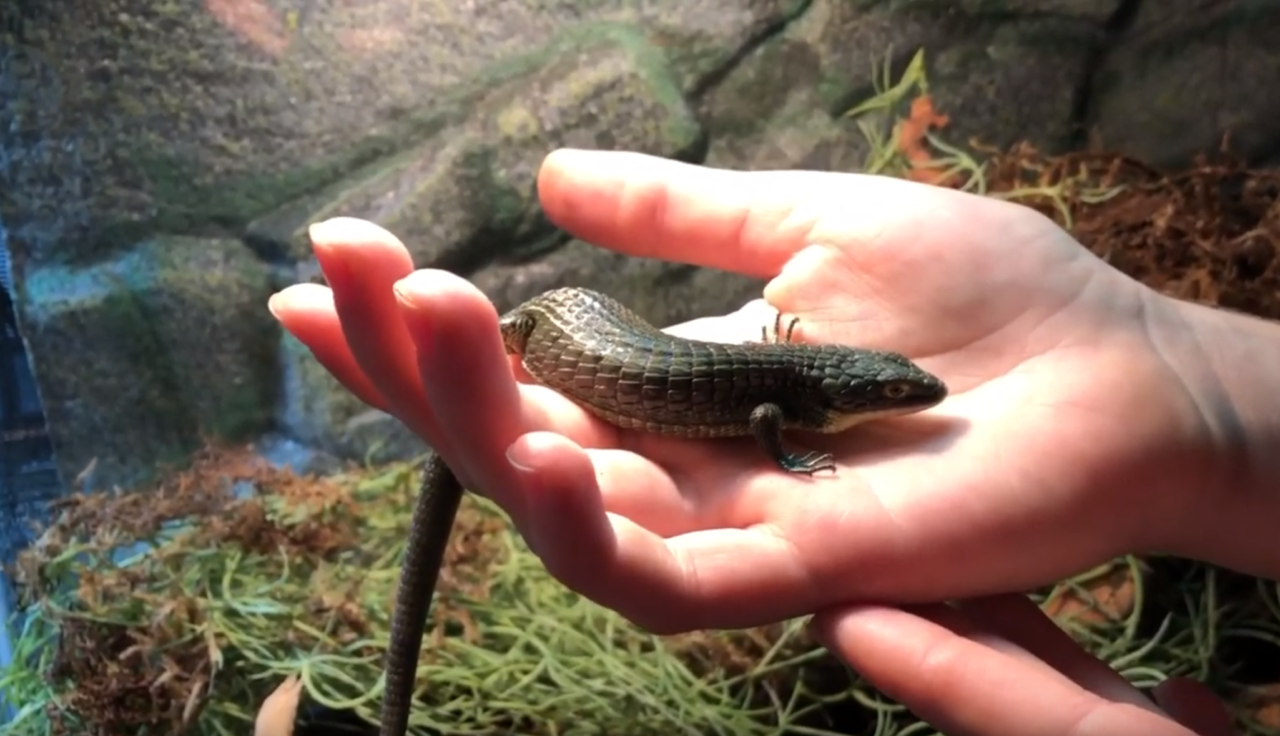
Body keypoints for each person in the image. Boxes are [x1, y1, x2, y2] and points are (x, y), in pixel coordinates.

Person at [268, 149, 1277, 736]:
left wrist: (1193, 397)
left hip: (580, 328)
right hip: (552, 336)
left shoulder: (795, 378)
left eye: (904, 387)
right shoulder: (783, 400)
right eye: (894, 390)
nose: (915, 397)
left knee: (495, 426)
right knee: (478, 420)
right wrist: (786, 461)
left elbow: (780, 389)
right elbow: (764, 415)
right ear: (841, 391)